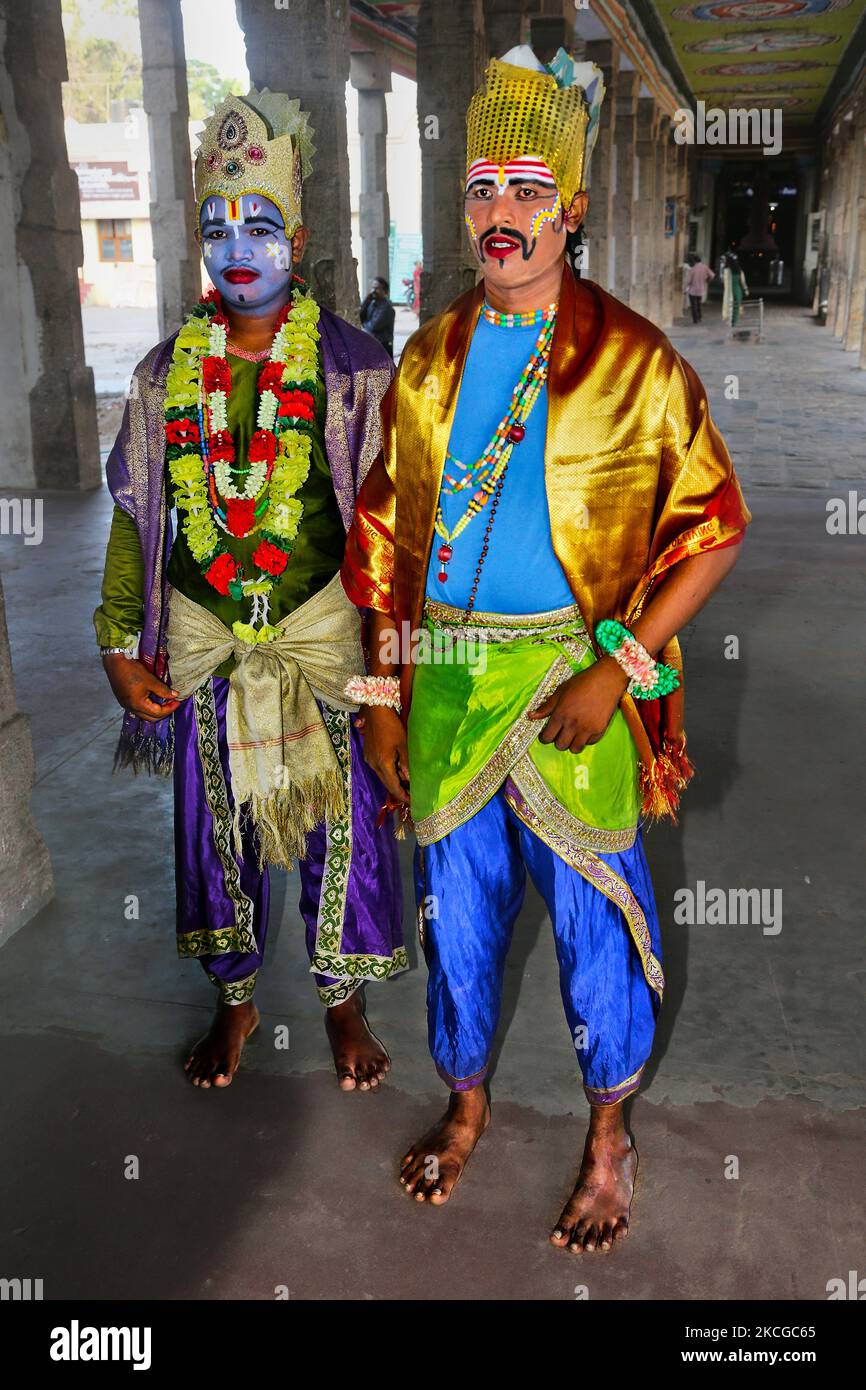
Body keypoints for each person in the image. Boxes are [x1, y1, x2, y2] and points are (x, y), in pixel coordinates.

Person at [341, 46, 750, 1251]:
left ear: (569, 207)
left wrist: (612, 671)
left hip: (575, 687)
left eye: (527, 189)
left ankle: (608, 1132)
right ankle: (464, 1103)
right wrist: (377, 699)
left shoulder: (632, 363)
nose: (501, 214)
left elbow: (714, 530)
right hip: (446, 689)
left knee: (592, 933)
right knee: (455, 924)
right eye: (481, 189)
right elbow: (377, 551)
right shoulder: (425, 362)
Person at [94, 90, 404, 1091]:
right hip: (202, 640)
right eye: (216, 228)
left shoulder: (355, 368)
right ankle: (233, 1001)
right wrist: (114, 641)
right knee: (212, 829)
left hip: (322, 636)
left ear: (300, 238)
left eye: (259, 225)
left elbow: (397, 534)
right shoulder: (159, 375)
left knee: (334, 826)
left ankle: (341, 1003)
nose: (237, 247)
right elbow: (141, 515)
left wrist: (396, 675)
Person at [360, 277, 395, 357]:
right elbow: (361, 318)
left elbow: (374, 326)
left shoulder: (386, 307)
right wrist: (366, 302)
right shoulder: (372, 303)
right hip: (373, 344)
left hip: (383, 346)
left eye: (377, 288)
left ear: (384, 291)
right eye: (373, 288)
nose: (373, 291)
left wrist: (364, 325)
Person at [685, 253, 715, 324]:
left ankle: (695, 320)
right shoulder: (705, 267)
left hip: (692, 290)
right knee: (698, 304)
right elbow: (712, 275)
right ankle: (699, 318)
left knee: (693, 305)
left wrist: (684, 289)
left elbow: (688, 281)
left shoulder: (693, 269)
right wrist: (707, 280)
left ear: (694, 261)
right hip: (701, 289)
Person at [722, 250, 748, 327]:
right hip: (737, 291)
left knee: (731, 306)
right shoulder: (738, 270)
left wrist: (745, 289)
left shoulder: (726, 270)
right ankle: (733, 322)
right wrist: (745, 289)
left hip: (730, 291)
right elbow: (742, 281)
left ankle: (732, 322)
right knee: (735, 307)